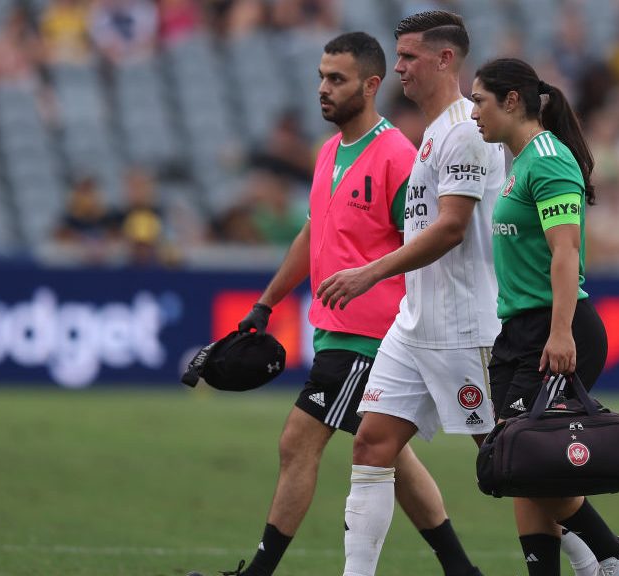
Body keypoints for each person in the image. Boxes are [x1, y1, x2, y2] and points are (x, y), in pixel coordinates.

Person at [188, 32, 484, 576]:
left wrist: (389, 290)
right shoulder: (328, 152)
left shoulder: (397, 156)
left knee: (298, 441)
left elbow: (430, 238)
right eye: (321, 77)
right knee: (388, 454)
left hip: (371, 334)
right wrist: (265, 304)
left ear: (370, 86)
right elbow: (312, 234)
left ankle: (258, 573)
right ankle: (462, 569)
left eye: (337, 79)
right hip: (333, 329)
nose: (323, 88)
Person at [317, 12, 600, 576]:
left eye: (409, 56)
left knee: (515, 462)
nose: (398, 67)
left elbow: (450, 228)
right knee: (371, 444)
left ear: (445, 59)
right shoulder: (433, 133)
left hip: (467, 328)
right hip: (416, 322)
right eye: (397, 55)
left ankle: (604, 556)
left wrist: (370, 273)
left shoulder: (468, 131)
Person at [469, 57, 619, 576]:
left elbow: (565, 252)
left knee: (523, 460)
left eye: (479, 100)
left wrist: (561, 332)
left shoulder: (548, 160)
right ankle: (607, 558)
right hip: (519, 330)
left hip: (555, 329)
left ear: (511, 101)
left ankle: (617, 555)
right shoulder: (520, 162)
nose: (473, 112)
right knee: (519, 465)